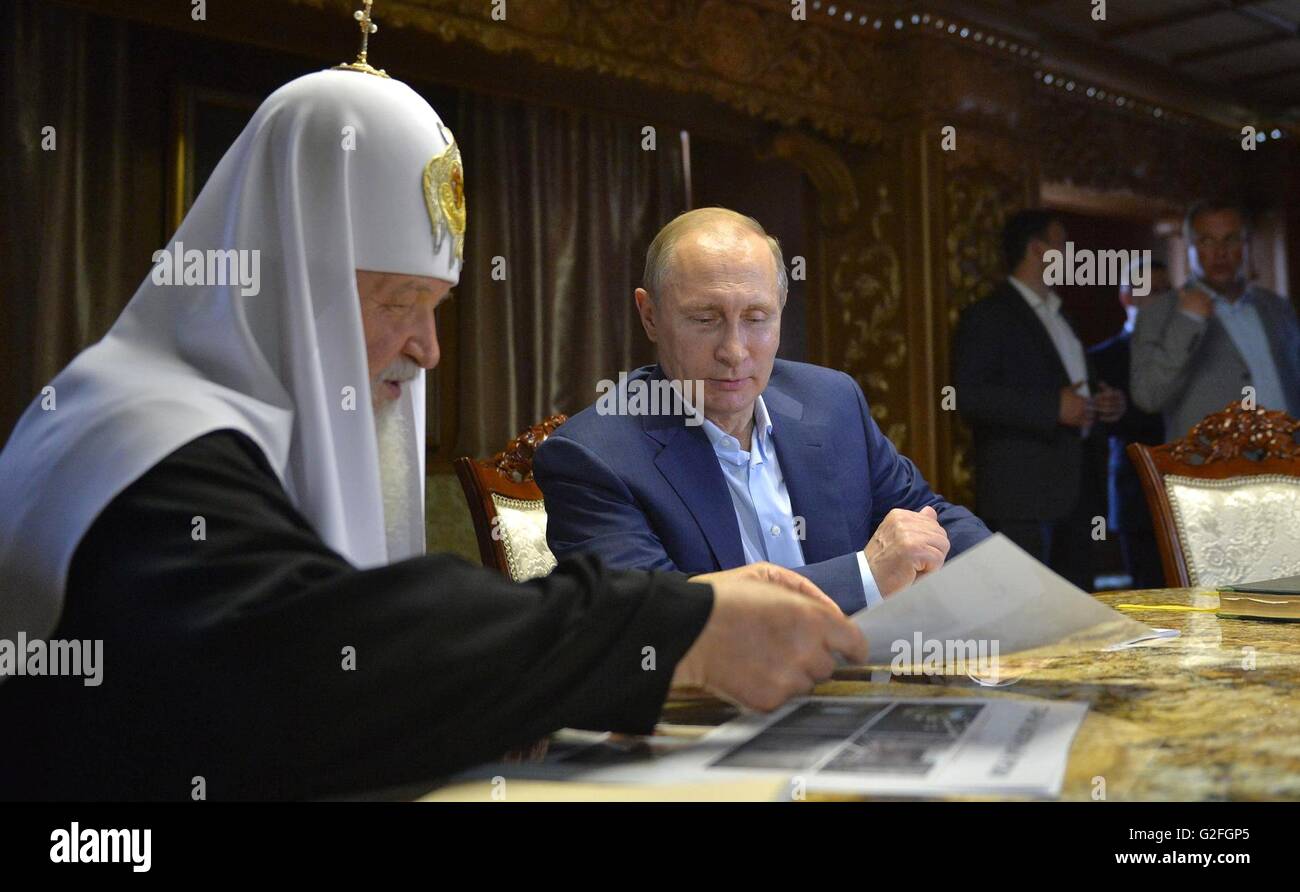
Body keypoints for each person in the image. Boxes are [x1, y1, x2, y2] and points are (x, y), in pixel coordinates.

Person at [0, 49, 866, 800]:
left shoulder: (245, 423)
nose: (428, 349)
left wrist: (496, 706)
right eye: (399, 302)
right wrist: (675, 626)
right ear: (289, 286)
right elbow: (319, 658)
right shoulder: (136, 436)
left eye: (439, 304)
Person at [534, 208, 989, 615]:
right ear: (649, 315)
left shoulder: (831, 402)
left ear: (781, 310)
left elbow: (928, 517)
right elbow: (655, 619)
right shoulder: (592, 456)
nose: (734, 351)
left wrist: (1019, 587)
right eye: (705, 319)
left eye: (756, 318)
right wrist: (865, 577)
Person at [953, 210, 1123, 591]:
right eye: (1062, 244)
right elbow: (971, 396)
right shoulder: (989, 315)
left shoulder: (1065, 316)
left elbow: (1077, 386)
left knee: (1080, 612)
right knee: (1025, 612)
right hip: (1022, 497)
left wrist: (1104, 400)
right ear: (1036, 249)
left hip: (1081, 488)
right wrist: (1053, 407)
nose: (1072, 254)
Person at [1131, 200, 1300, 439]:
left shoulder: (1277, 307)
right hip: (1211, 468)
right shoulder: (1159, 313)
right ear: (1189, 248)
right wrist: (1187, 321)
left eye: (1231, 239)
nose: (1220, 252)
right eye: (1207, 241)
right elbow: (1148, 396)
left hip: (1287, 465)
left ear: (1246, 244)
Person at [1088, 259, 1170, 589]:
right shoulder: (1101, 357)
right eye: (1153, 291)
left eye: (1167, 291)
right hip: (1136, 493)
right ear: (1127, 298)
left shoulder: (1188, 348)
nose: (1163, 300)